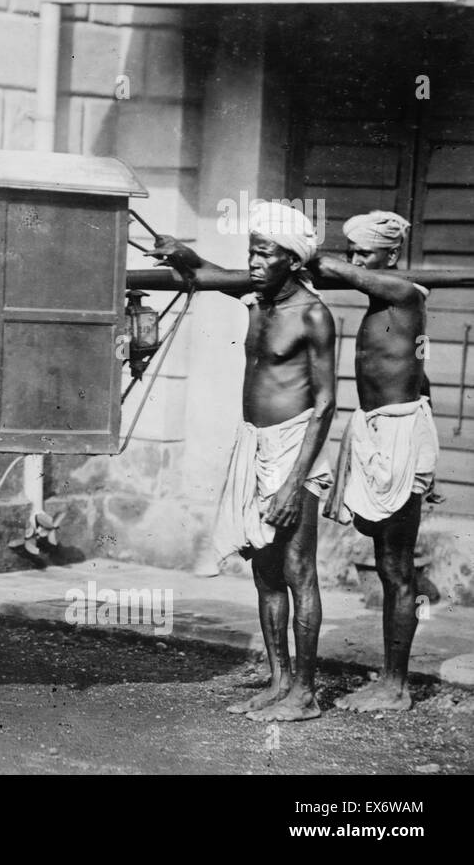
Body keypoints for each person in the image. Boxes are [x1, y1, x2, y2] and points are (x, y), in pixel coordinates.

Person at [152, 202, 336, 722]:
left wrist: (292, 486)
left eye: (265, 252)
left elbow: (325, 403)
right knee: (264, 571)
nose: (254, 261)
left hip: (293, 449)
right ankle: (279, 682)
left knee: (300, 571)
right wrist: (183, 254)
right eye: (251, 251)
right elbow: (206, 274)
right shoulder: (257, 296)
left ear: (293, 260)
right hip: (252, 444)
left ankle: (305, 693)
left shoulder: (314, 314)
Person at [310, 211, 438, 712]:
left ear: (391, 257)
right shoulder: (380, 305)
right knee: (383, 556)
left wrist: (314, 260)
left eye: (366, 252)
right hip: (376, 431)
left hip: (399, 434)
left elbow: (348, 274)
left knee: (396, 566)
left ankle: (396, 685)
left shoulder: (404, 294)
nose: (357, 260)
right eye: (354, 250)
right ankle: (390, 673)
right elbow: (421, 376)